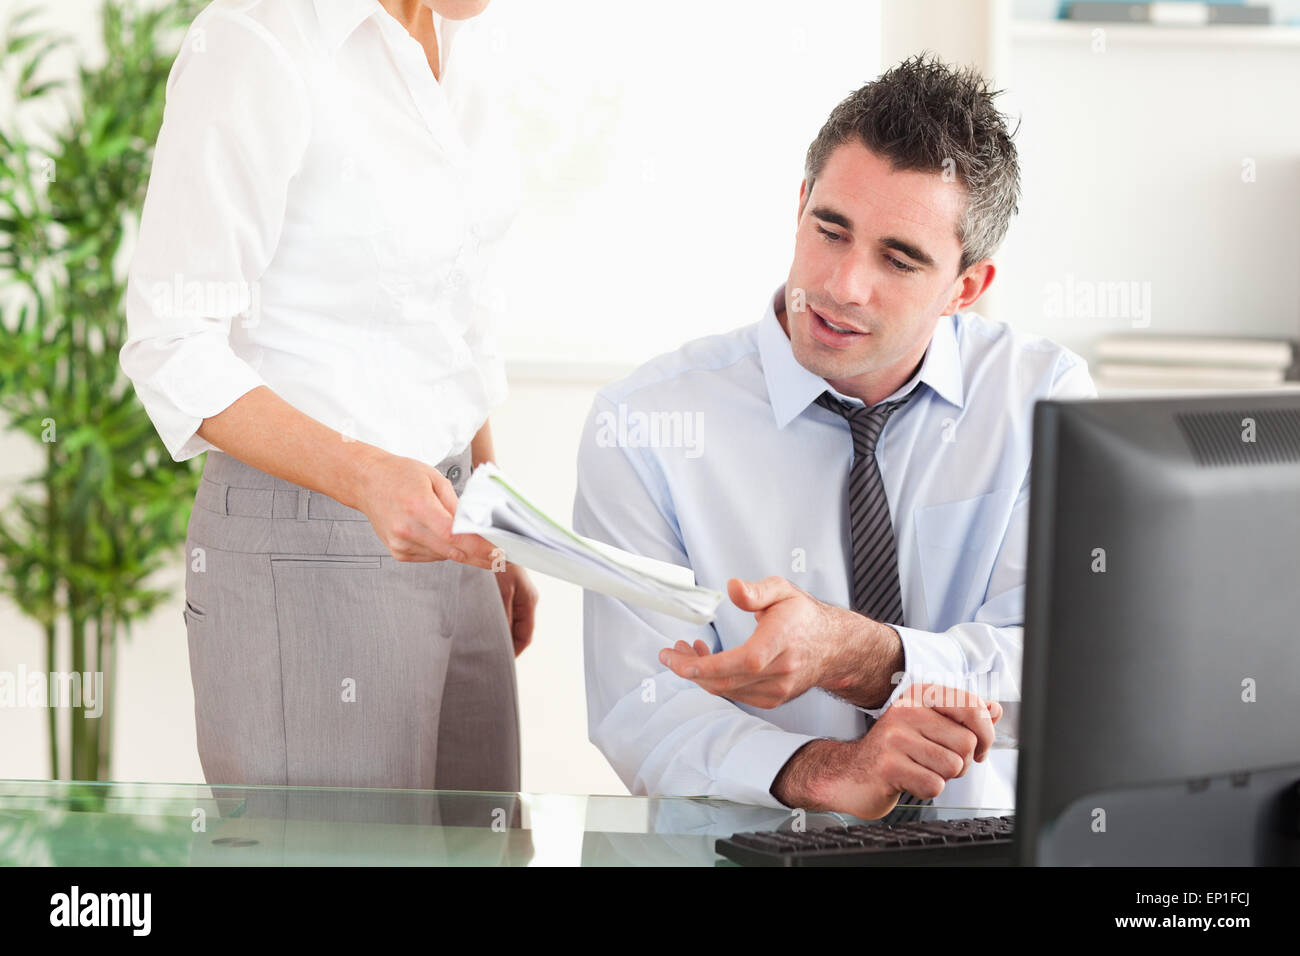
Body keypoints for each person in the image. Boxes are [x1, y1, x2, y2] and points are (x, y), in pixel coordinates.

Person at [574, 54, 1097, 819]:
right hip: (757, 852)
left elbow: (1072, 673)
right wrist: (827, 770)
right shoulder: (646, 425)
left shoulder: (1042, 401)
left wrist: (863, 657)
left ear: (967, 287)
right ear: (800, 207)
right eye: (831, 230)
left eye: (900, 258)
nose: (843, 285)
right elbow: (642, 709)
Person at [120, 0, 536, 792]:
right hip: (311, 533)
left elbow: (452, 303)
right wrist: (364, 477)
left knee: (482, 849)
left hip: (448, 518)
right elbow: (171, 341)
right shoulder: (256, 40)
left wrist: (487, 496)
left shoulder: (461, 38)